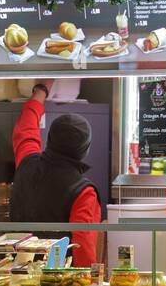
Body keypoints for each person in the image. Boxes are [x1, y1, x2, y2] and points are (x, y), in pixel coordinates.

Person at [9, 81, 100, 267]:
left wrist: (41, 91)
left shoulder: (26, 162)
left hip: (18, 279)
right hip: (57, 284)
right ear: (84, 150)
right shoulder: (83, 192)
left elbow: (25, 129)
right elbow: (83, 249)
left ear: (49, 138)